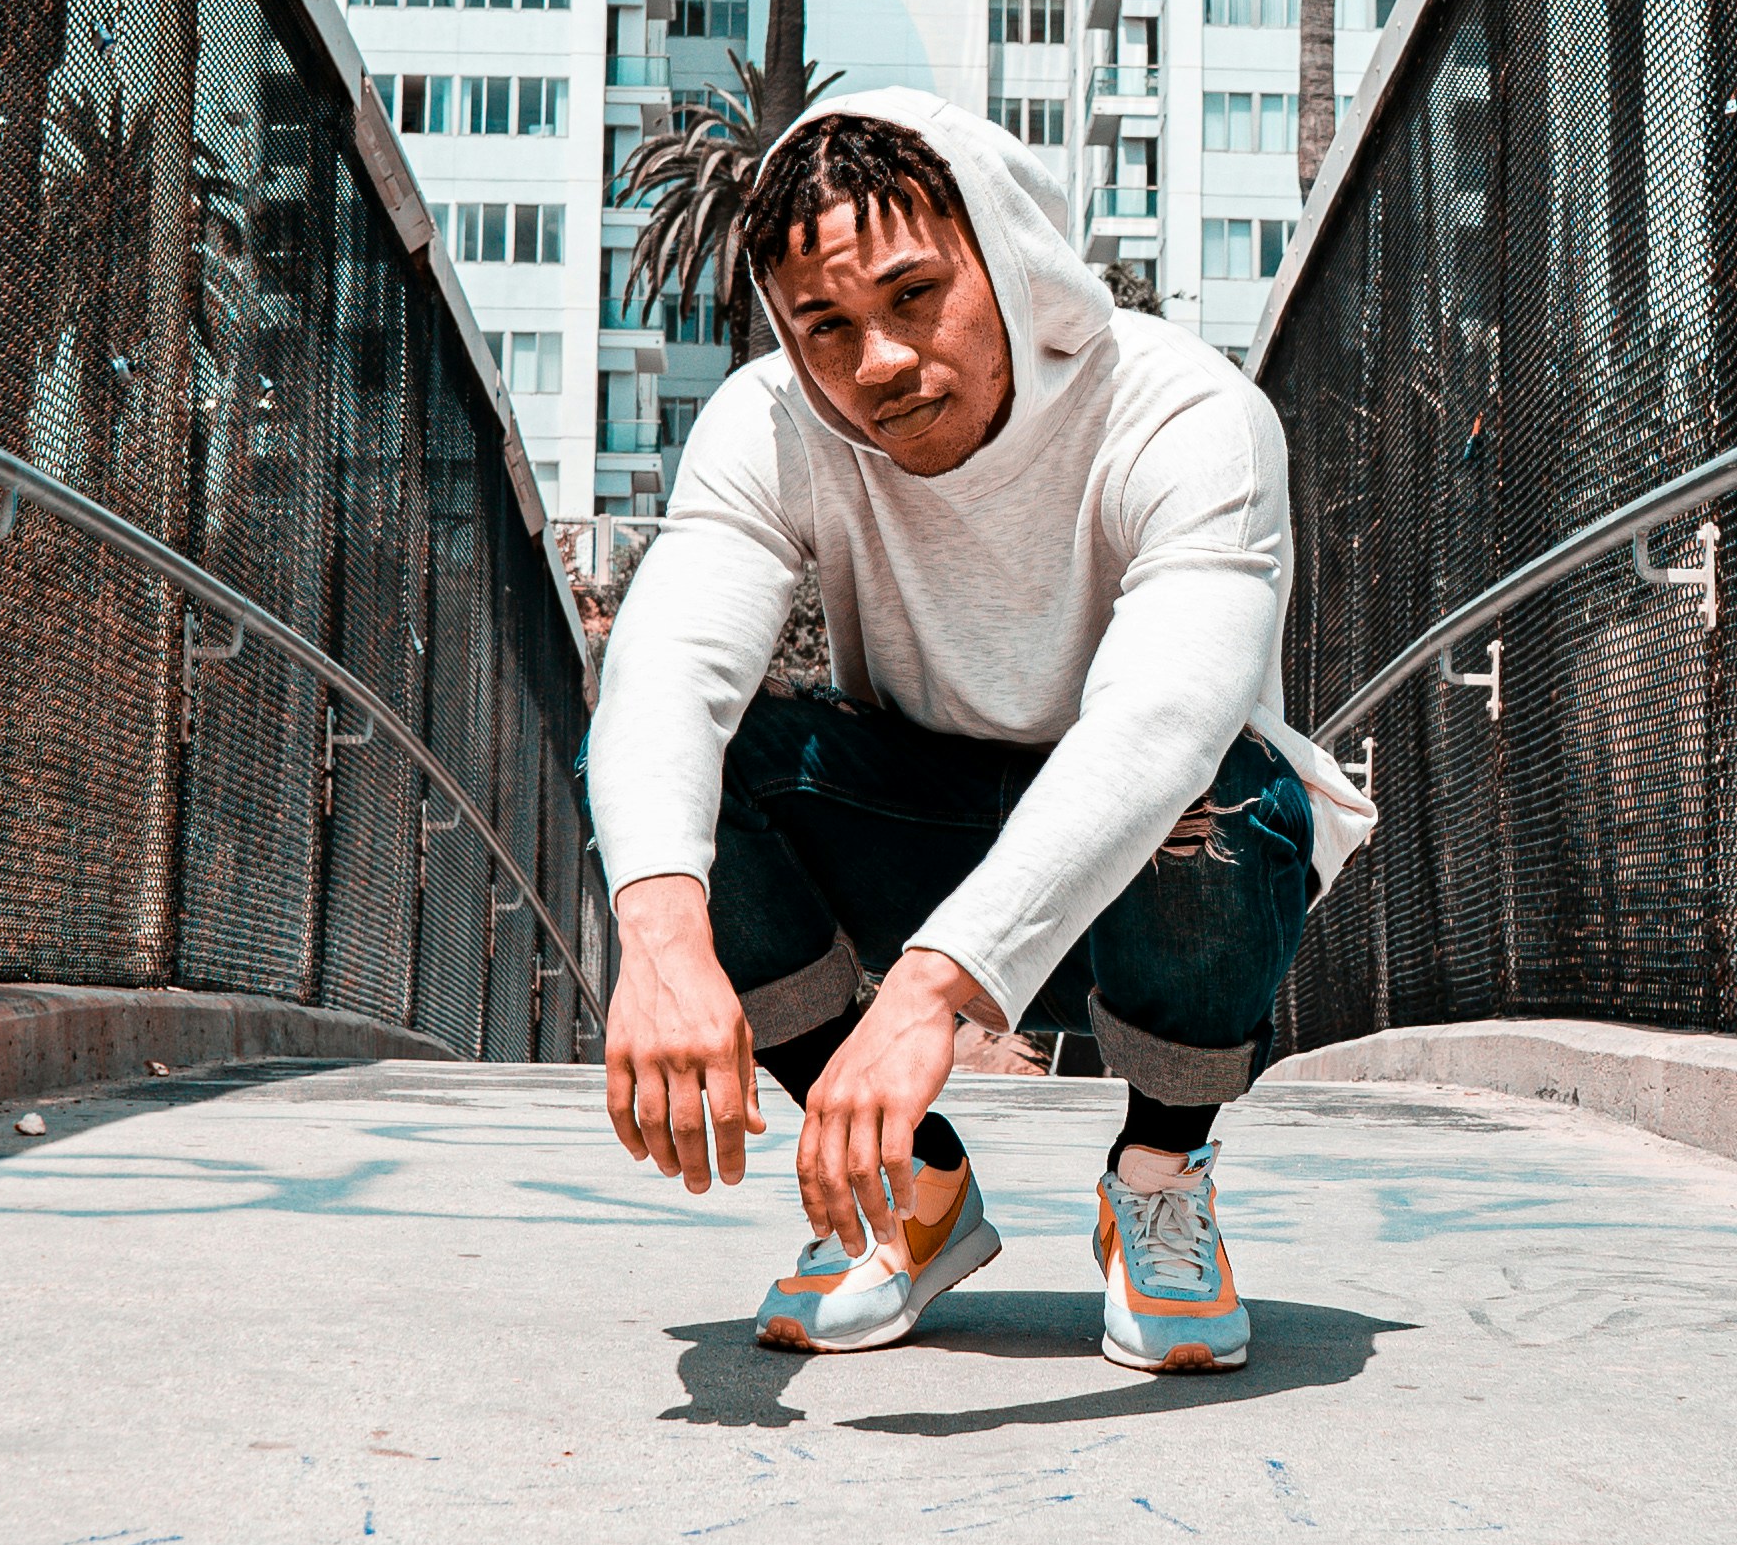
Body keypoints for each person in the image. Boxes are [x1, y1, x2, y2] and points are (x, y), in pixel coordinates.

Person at [586, 86, 1372, 1372]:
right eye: (824, 325)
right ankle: (913, 1190)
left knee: (1222, 790)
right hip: (918, 834)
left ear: (1004, 262)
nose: (877, 361)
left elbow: (1161, 724)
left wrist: (930, 997)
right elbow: (666, 668)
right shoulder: (772, 424)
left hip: (1150, 874)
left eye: (911, 297)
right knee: (676, 784)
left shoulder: (1185, 415)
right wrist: (662, 934)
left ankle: (1162, 1178)